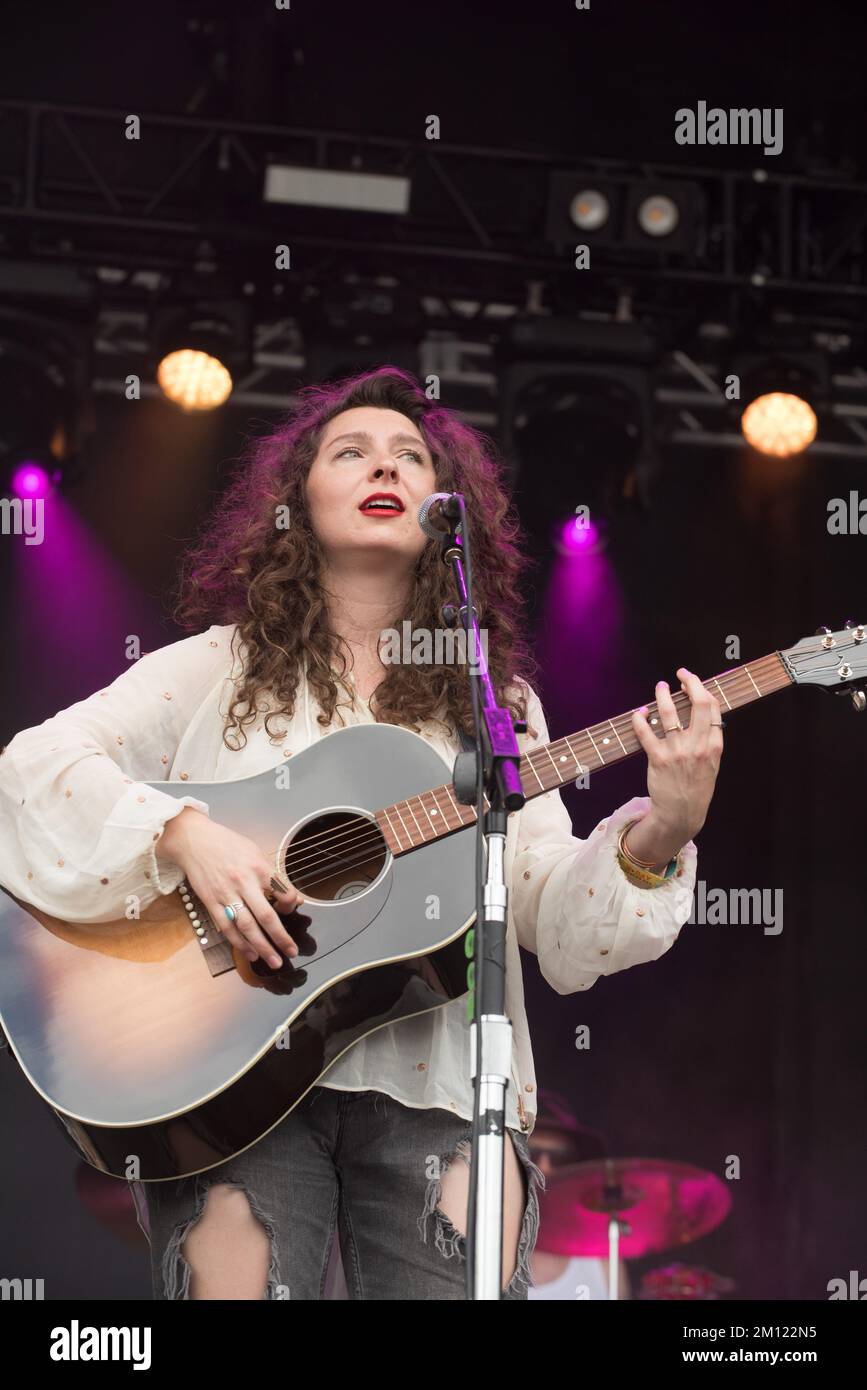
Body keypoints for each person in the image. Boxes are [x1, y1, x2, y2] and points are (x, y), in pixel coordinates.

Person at [0, 366, 723, 1300]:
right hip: (226, 1083)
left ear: (444, 507)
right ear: (295, 502)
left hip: (445, 1087)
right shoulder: (215, 669)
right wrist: (184, 833)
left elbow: (550, 912)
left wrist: (662, 829)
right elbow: (30, 768)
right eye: (351, 452)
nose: (383, 466)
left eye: (410, 457)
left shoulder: (495, 707)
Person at [528, 1091, 630, 1300]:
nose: (545, 1168)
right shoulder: (477, 1247)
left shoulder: (601, 1257)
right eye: (530, 1152)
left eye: (561, 1158)